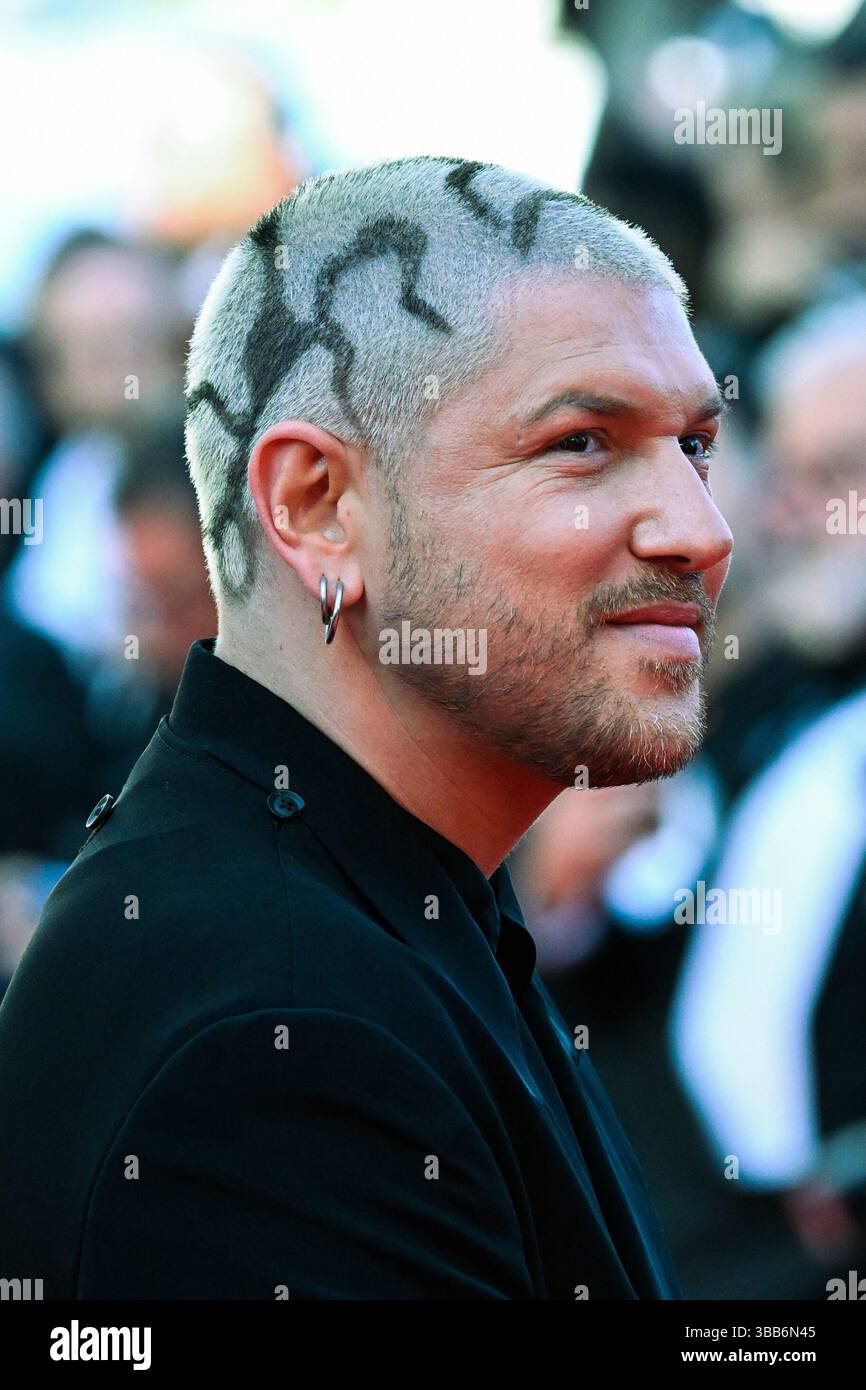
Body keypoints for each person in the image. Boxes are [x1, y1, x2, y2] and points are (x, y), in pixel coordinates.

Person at [0, 155, 731, 1300]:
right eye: (580, 442)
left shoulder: (386, 899)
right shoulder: (276, 1030)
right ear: (315, 506)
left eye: (694, 444)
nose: (698, 528)